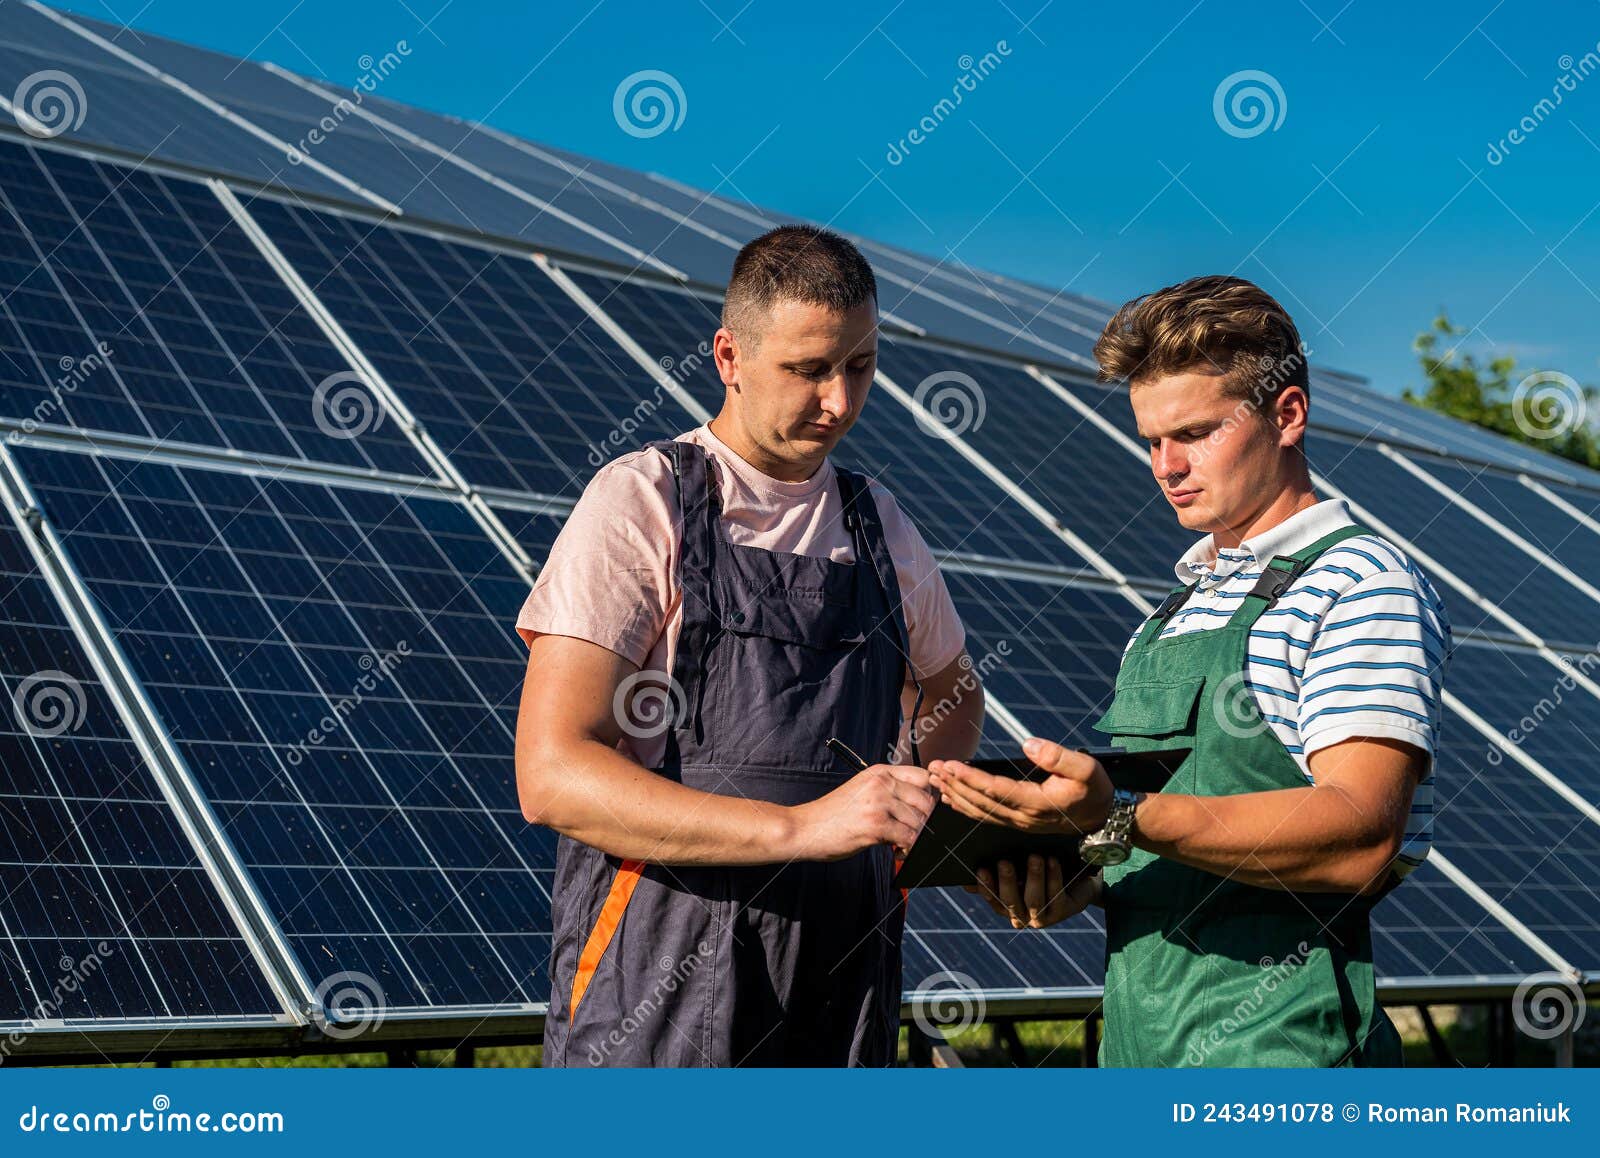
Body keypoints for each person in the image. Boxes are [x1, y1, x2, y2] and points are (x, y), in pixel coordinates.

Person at [930, 275, 1449, 1067]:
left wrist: (1116, 820)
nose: (1166, 466)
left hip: (1280, 1058)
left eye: (1197, 433)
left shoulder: (1358, 582)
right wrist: (1073, 870)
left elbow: (1360, 834)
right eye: (1150, 441)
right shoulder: (1171, 612)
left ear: (1287, 415)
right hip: (1139, 1052)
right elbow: (1171, 826)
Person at [514, 225, 983, 1067]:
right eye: (807, 370)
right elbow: (552, 777)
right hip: (658, 967)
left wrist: (918, 827)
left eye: (861, 367)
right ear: (729, 356)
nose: (839, 401)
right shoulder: (644, 500)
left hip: (844, 970)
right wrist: (800, 828)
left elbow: (954, 695)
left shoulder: (881, 524)